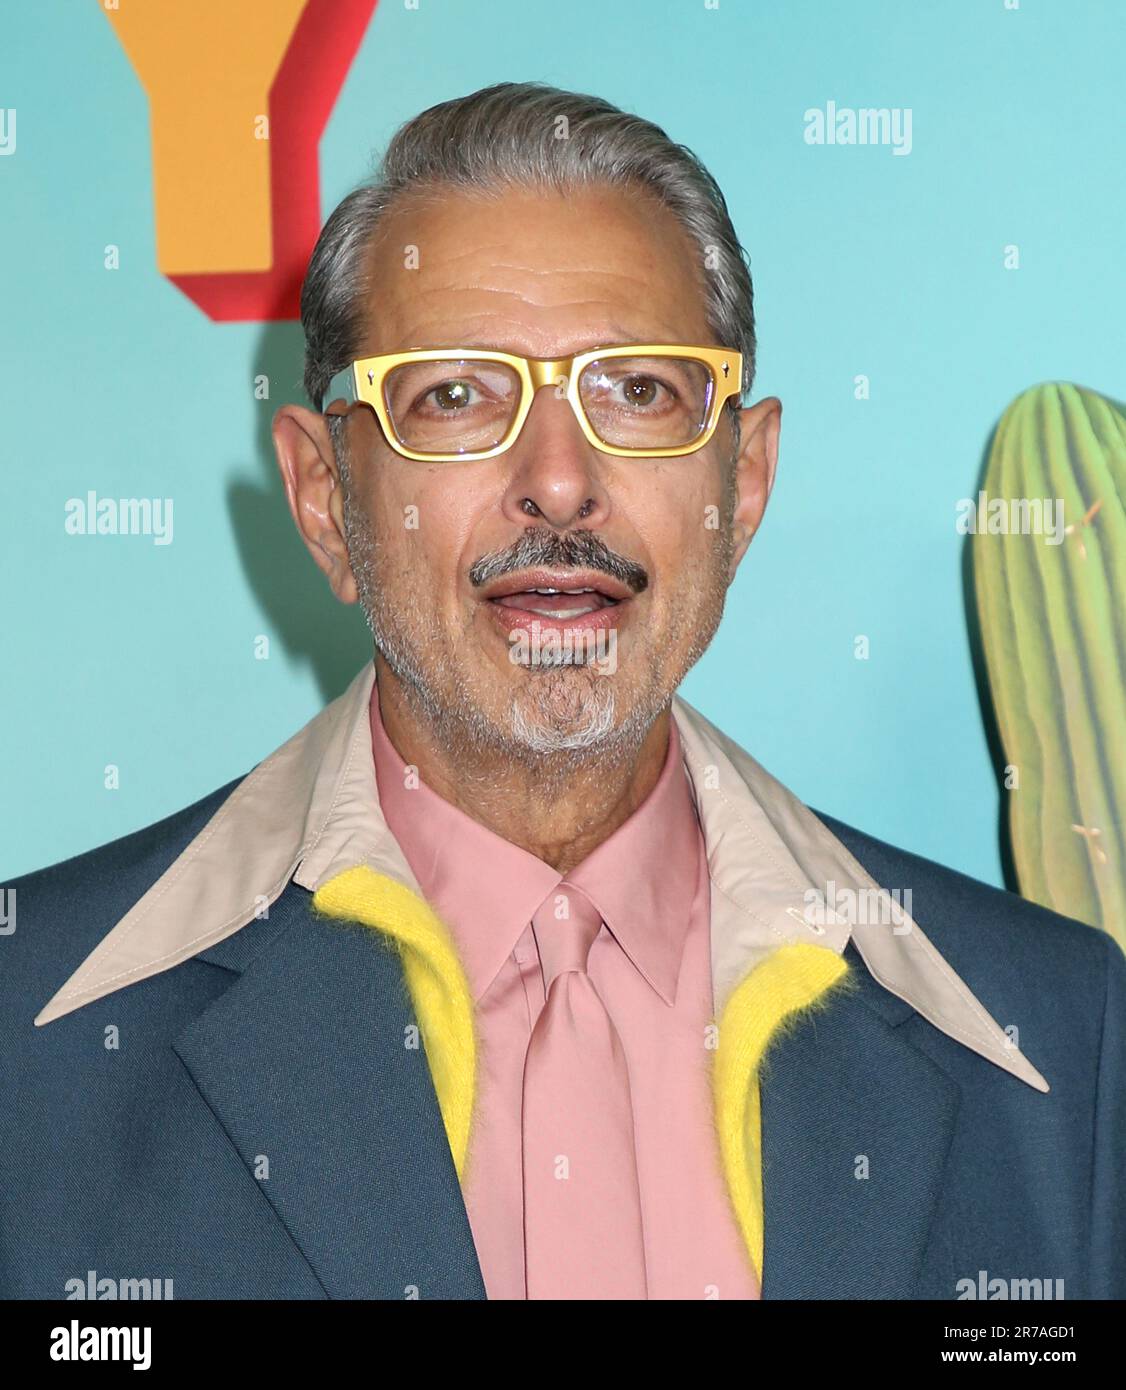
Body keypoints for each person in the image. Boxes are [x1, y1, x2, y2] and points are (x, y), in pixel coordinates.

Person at [3, 82, 1122, 1302]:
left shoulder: (1058, 1038)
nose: (556, 482)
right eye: (455, 397)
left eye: (638, 392)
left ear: (740, 488)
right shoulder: (30, 1035)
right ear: (327, 500)